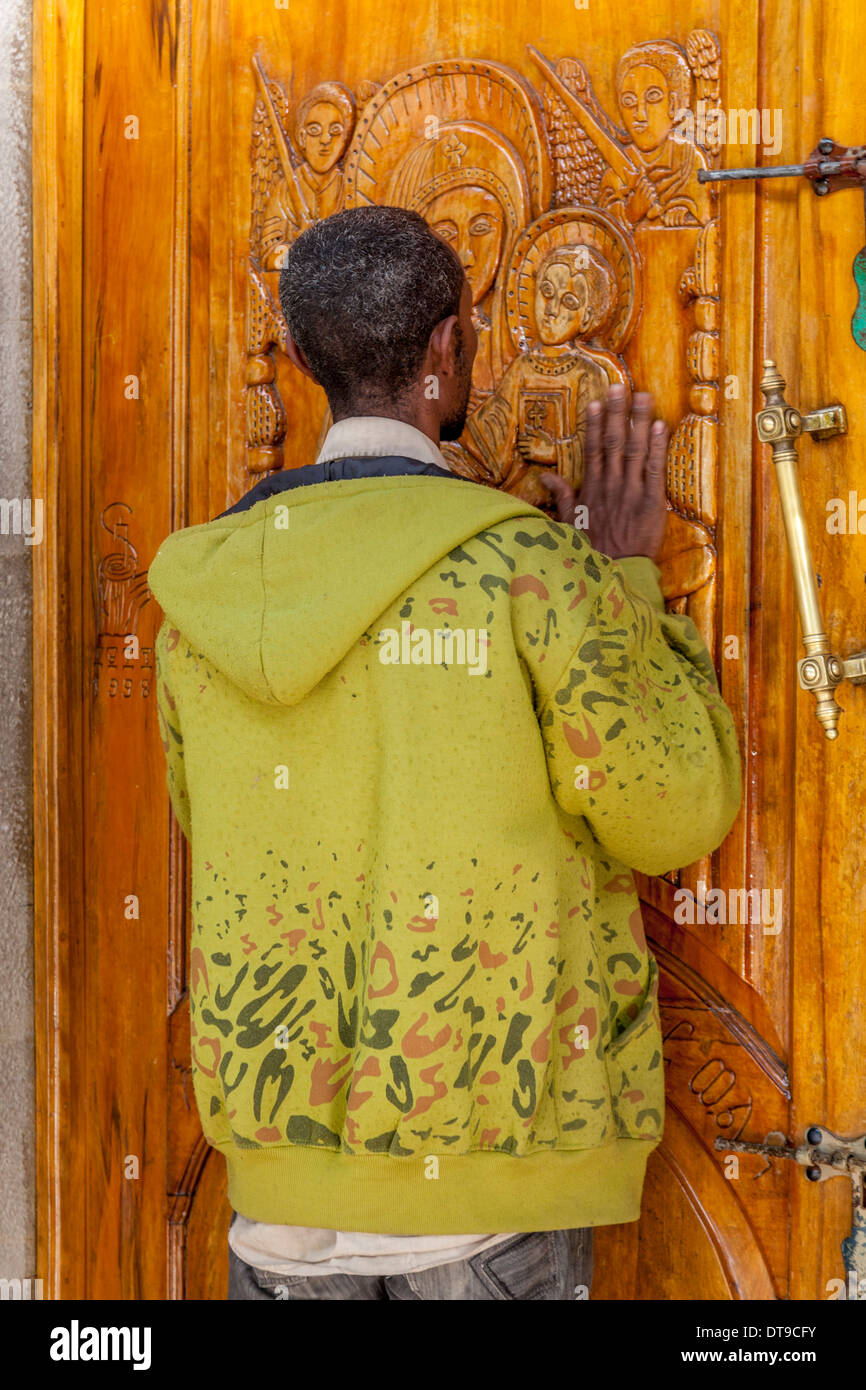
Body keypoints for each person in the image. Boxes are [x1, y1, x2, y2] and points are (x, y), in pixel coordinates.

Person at [148, 204, 742, 1301]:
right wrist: (617, 578)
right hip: (491, 1184)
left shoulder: (203, 600)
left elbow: (220, 817)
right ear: (447, 347)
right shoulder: (528, 575)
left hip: (279, 1207)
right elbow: (671, 810)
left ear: (295, 356)